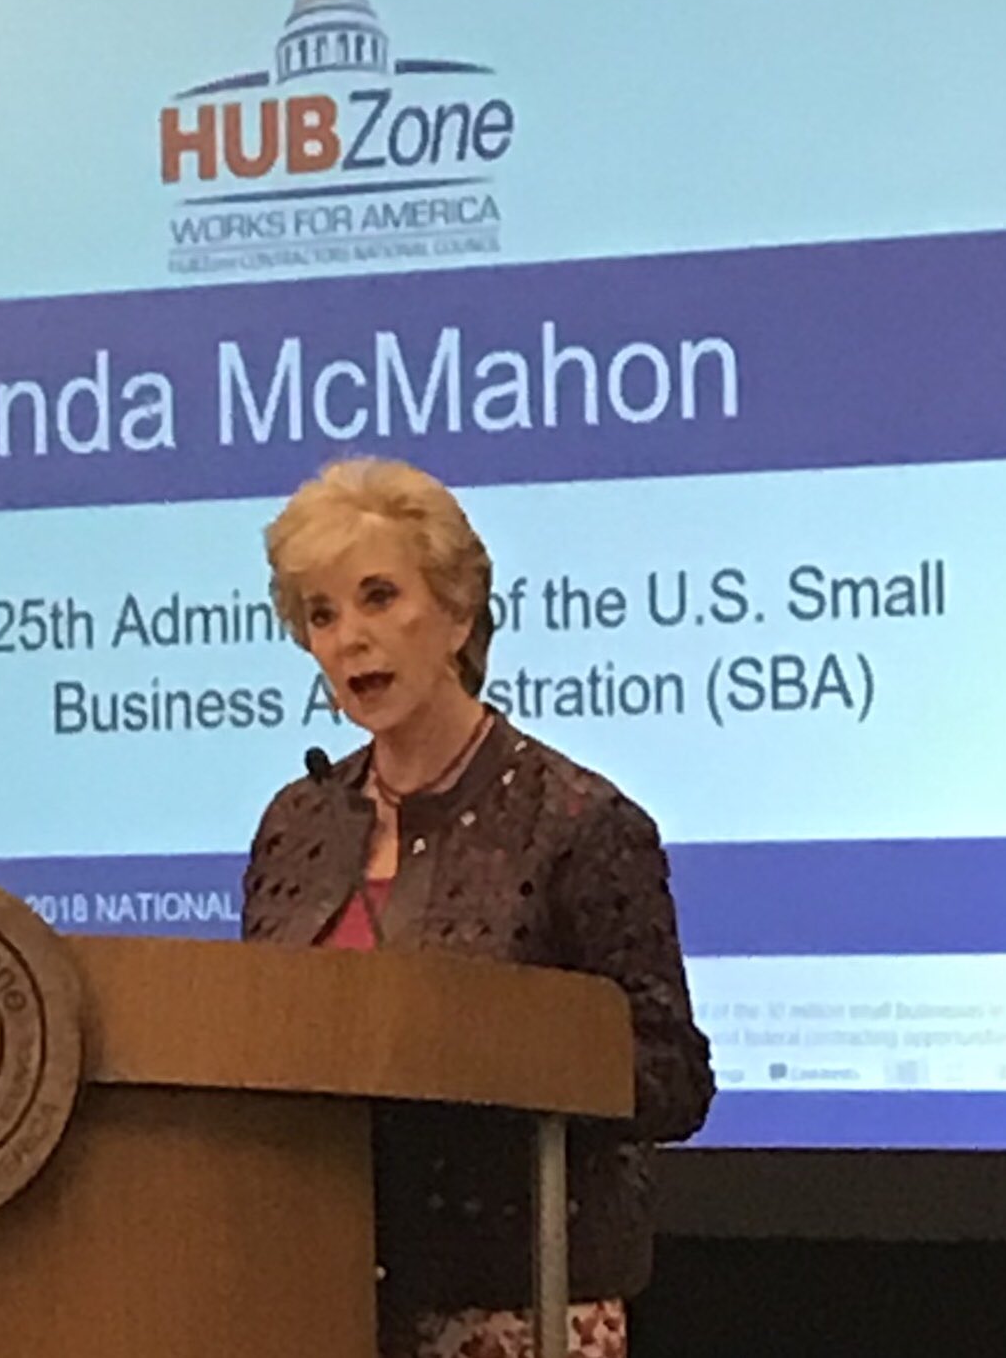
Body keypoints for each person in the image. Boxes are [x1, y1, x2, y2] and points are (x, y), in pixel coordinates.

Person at [242, 458, 713, 1358]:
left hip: (515, 1307)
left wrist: (495, 1048)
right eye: (321, 614)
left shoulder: (577, 822)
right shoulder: (296, 826)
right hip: (318, 1294)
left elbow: (672, 1075)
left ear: (457, 613)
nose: (350, 638)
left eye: (380, 597)